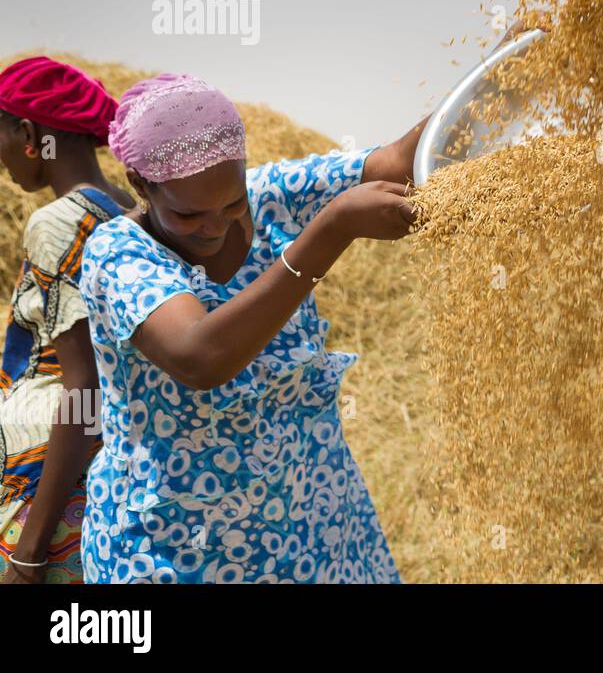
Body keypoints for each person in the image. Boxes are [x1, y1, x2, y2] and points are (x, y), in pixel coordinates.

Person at [78, 73, 423, 583]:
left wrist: (498, 77)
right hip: (181, 549)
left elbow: (398, 163)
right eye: (189, 213)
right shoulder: (118, 253)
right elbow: (201, 357)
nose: (215, 226)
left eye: (231, 203)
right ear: (140, 185)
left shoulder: (271, 197)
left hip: (314, 524)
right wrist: (331, 231)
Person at [0, 57, 131, 583]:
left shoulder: (56, 223)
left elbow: (84, 385)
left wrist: (29, 553)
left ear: (29, 135)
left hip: (44, 488)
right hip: (93, 477)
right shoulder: (127, 209)